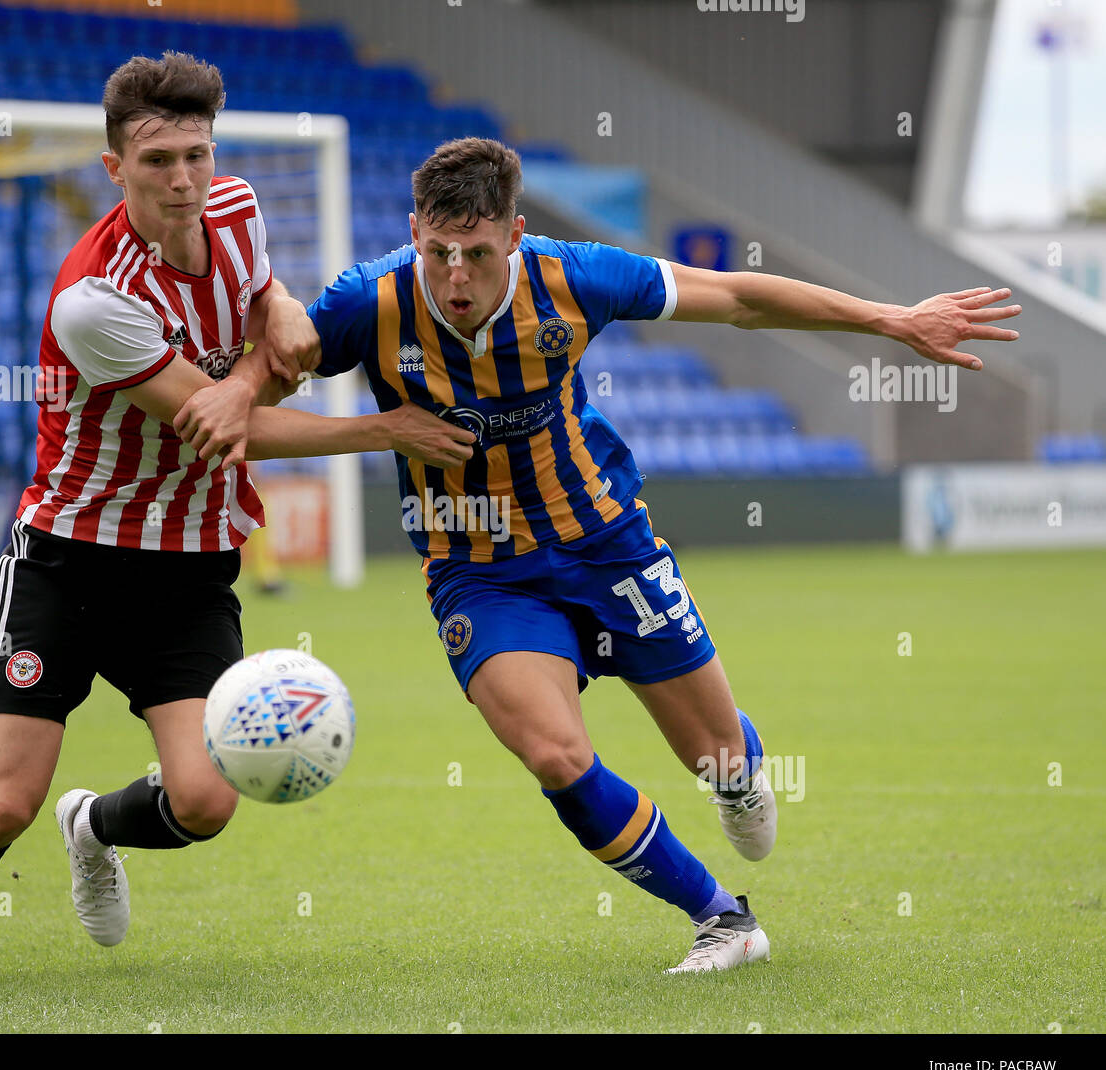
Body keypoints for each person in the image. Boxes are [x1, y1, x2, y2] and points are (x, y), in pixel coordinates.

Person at [176, 137, 1022, 974]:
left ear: (514, 235)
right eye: (438, 252)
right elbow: (253, 408)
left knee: (717, 756)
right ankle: (722, 920)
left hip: (605, 543)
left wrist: (891, 318)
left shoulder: (576, 276)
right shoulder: (369, 301)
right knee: (555, 754)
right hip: (478, 569)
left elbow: (736, 299)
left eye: (475, 253)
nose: (456, 277)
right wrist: (331, 414)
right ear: (413, 231)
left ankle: (736, 771)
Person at [0, 52, 469, 986]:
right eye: (157, 160)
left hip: (188, 560)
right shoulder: (93, 301)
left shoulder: (240, 207)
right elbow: (225, 424)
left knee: (208, 798)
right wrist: (383, 427)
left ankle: (91, 827)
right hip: (72, 555)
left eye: (196, 154)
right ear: (113, 168)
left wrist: (282, 304)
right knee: (6, 800)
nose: (182, 180)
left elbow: (258, 304)